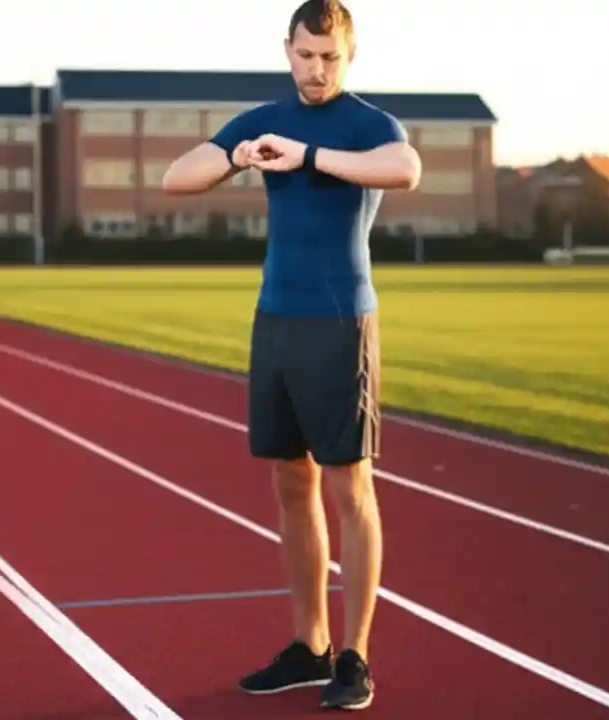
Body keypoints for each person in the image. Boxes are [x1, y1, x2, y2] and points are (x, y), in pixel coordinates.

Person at [161, 0, 420, 711]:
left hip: (339, 324)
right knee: (289, 482)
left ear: (349, 54)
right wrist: (236, 158)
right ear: (288, 50)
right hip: (274, 319)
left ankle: (356, 658)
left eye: (329, 57)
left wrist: (308, 156)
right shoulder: (260, 119)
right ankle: (311, 645)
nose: (316, 69)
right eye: (305, 56)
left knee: (350, 487)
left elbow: (406, 169)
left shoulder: (371, 125)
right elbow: (175, 177)